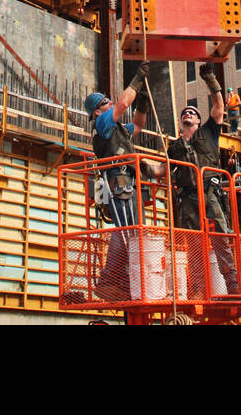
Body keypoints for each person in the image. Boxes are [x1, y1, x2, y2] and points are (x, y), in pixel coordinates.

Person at [168, 64, 239, 296]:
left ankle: (232, 283)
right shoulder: (175, 147)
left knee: (220, 236)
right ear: (181, 123)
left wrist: (211, 80)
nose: (188, 114)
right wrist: (143, 169)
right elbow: (163, 169)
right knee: (194, 244)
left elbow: (219, 106)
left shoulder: (208, 132)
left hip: (209, 193)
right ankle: (199, 287)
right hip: (188, 197)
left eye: (193, 113)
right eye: (185, 113)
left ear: (198, 121)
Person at [84, 62, 150, 302]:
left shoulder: (118, 129)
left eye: (108, 100)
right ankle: (110, 279)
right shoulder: (102, 124)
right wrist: (138, 79)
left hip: (129, 182)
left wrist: (142, 102)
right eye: (105, 102)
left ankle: (126, 279)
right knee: (124, 229)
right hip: (118, 182)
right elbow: (122, 105)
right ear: (97, 111)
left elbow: (139, 125)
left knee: (134, 231)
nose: (109, 103)